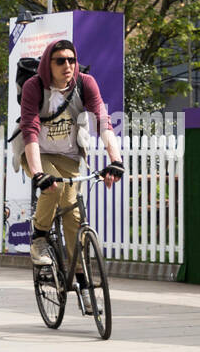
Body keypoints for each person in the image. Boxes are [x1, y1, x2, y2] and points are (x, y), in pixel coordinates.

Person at [19, 39, 123, 271]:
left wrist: (116, 161)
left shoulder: (85, 83)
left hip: (69, 155)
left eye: (72, 60)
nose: (68, 65)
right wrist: (37, 173)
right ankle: (40, 239)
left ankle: (81, 276)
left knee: (73, 215)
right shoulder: (33, 87)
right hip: (38, 152)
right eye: (60, 61)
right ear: (48, 64)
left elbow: (103, 121)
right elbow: (30, 131)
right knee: (53, 188)